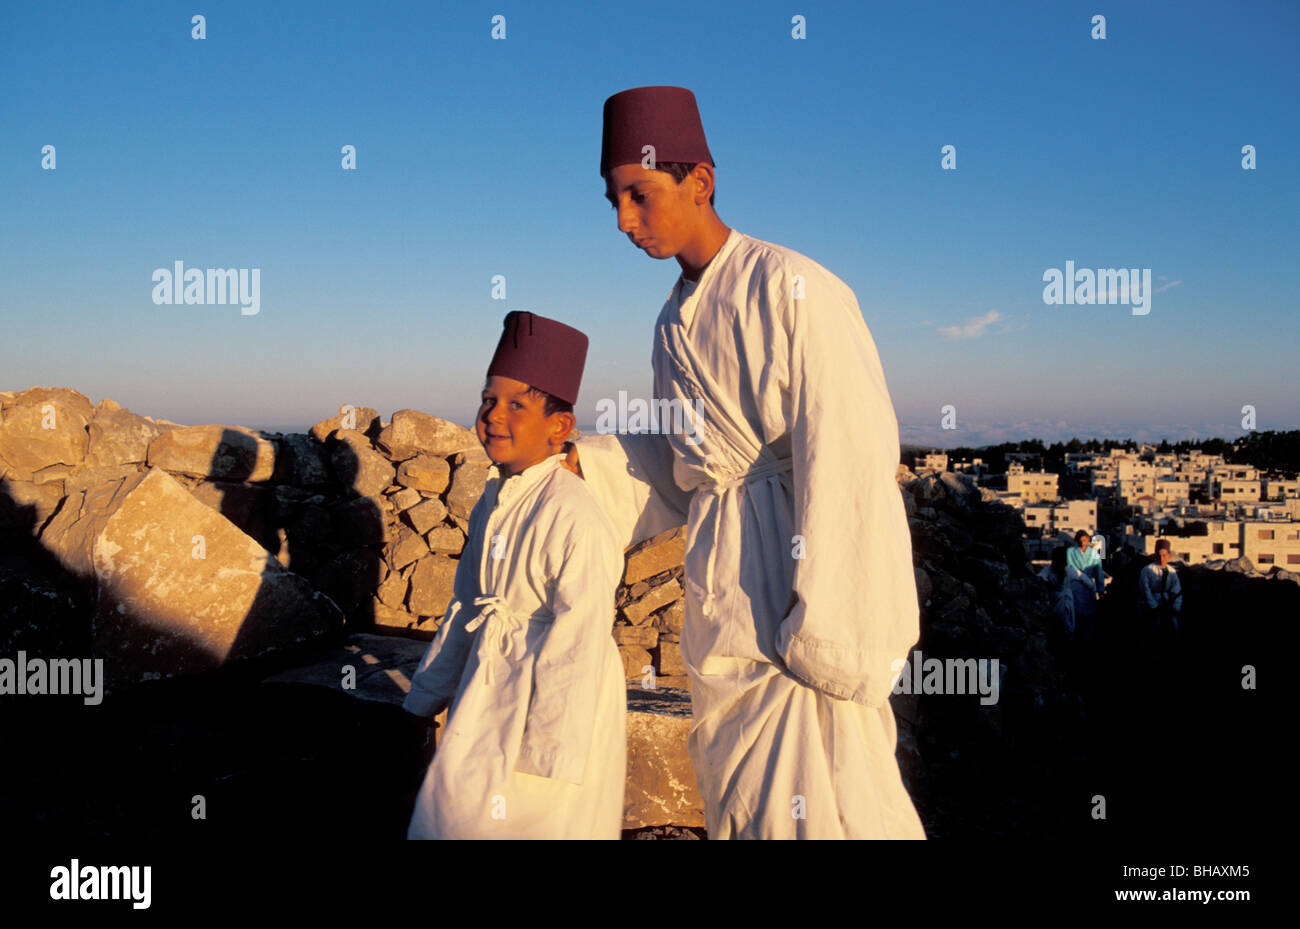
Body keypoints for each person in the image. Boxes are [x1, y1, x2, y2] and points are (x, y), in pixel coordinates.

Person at [565, 86, 924, 838]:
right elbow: (690, 461)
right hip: (720, 584)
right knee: (745, 797)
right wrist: (584, 466)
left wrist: (826, 627)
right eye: (613, 201)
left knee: (831, 797)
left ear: (700, 181)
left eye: (639, 194)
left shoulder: (796, 288)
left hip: (795, 586)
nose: (624, 220)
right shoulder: (670, 323)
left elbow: (850, 451)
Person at [402, 311, 626, 839]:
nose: (493, 416)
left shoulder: (575, 514)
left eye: (516, 405)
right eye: (488, 401)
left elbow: (579, 635)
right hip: (487, 684)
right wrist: (425, 697)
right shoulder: (493, 500)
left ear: (559, 427)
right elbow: (466, 605)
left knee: (535, 817)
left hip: (554, 707)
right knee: (455, 813)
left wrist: (549, 749)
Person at [1036, 545, 1093, 639]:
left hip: (1063, 604)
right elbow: (1088, 582)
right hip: (1057, 604)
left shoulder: (1067, 570)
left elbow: (1087, 582)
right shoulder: (1051, 571)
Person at [1138, 538, 1183, 653]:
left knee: (1174, 628)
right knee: (1151, 630)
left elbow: (1177, 590)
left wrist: (1175, 606)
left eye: (1164, 555)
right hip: (1150, 604)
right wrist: (1154, 606)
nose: (1162, 558)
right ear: (1155, 556)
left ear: (1169, 556)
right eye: (1159, 555)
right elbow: (1145, 590)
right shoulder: (1147, 570)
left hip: (1167, 603)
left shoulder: (1172, 571)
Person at [1067, 530, 1104, 642]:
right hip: (1075, 585)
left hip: (1089, 587)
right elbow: (1069, 567)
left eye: (1085, 540)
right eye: (1080, 540)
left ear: (1088, 540)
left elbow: (1099, 572)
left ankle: (1087, 638)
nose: (1082, 543)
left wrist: (1100, 589)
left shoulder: (1094, 554)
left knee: (1089, 614)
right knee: (1074, 613)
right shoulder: (1070, 552)